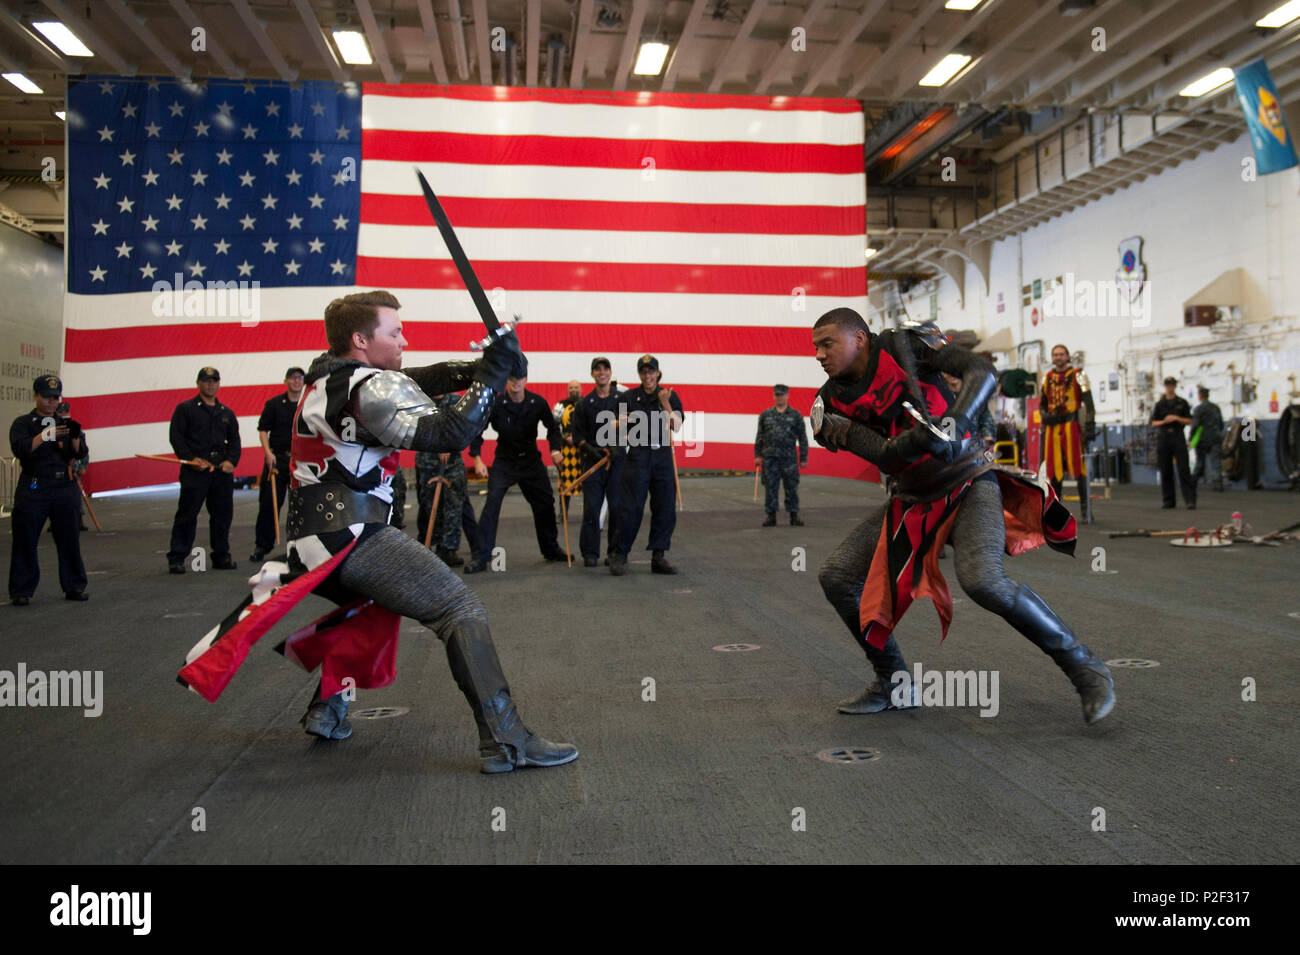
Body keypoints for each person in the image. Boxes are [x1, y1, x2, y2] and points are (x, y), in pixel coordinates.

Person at [177, 290, 576, 774]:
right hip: (351, 535)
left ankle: (328, 708)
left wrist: (479, 367)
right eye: (394, 332)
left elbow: (410, 380)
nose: (404, 339)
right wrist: (491, 375)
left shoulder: (329, 376)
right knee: (459, 608)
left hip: (313, 540)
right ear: (361, 340)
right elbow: (451, 434)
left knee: (369, 610)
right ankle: (507, 739)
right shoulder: (366, 390)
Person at [810, 308, 1113, 725]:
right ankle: (894, 684)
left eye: (827, 344)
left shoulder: (906, 346)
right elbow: (882, 454)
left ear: (859, 338)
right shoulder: (829, 405)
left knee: (983, 581)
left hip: (970, 482)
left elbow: (981, 371)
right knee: (837, 576)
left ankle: (1085, 667)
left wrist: (958, 419)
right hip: (914, 500)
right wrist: (921, 439)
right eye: (816, 348)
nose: (819, 355)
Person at [464, 368, 566, 573]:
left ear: (526, 379)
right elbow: (477, 431)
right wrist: (477, 459)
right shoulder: (496, 404)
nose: (516, 382)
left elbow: (553, 428)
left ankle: (551, 549)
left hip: (530, 462)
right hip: (505, 462)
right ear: (507, 379)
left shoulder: (537, 402)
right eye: (512, 377)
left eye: (520, 377)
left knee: (546, 503)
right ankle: (481, 556)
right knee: (492, 503)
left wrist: (555, 450)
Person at [8, 376, 89, 605]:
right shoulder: (24, 423)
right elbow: (21, 449)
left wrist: (72, 434)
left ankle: (74, 585)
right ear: (36, 396)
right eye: (46, 397)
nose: (51, 402)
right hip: (35, 484)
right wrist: (44, 436)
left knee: (69, 539)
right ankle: (21, 589)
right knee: (25, 538)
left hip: (63, 484)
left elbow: (80, 452)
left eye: (55, 398)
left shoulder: (66, 423)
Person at [608, 354, 683, 576]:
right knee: (631, 508)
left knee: (665, 508)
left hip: (662, 455)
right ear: (639, 374)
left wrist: (666, 404)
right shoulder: (629, 397)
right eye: (643, 371)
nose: (647, 375)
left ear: (658, 374)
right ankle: (620, 554)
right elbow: (609, 424)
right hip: (638, 454)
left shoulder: (669, 395)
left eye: (651, 371)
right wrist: (619, 422)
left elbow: (677, 426)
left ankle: (658, 556)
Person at [166, 367, 241, 573]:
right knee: (187, 514)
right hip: (195, 472)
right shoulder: (186, 409)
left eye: (214, 381)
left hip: (220, 473)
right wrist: (191, 459)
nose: (210, 385)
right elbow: (176, 437)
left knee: (222, 515)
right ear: (198, 383)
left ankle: (221, 556)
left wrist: (231, 461)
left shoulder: (226, 413)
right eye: (206, 381)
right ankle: (177, 557)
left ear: (219, 384)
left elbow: (235, 442)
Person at [570, 357, 625, 567]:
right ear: (592, 374)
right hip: (593, 462)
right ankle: (590, 552)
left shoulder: (622, 399)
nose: (602, 372)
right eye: (597, 369)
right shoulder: (584, 404)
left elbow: (632, 427)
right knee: (592, 507)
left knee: (617, 508)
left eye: (605, 369)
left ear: (610, 372)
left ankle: (615, 552)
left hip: (617, 461)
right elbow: (577, 436)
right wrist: (593, 452)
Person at [250, 367, 305, 561]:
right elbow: (263, 429)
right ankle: (262, 546)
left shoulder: (308, 404)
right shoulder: (274, 404)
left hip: (301, 462)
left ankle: (298, 548)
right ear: (286, 381)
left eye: (300, 378)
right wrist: (267, 453)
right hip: (277, 459)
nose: (297, 381)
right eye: (293, 378)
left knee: (300, 505)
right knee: (268, 504)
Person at [416, 392, 477, 566]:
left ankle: (448, 548)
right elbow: (415, 429)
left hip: (452, 463)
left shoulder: (456, 402)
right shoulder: (422, 402)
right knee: (428, 505)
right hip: (427, 461)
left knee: (454, 506)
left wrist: (450, 443)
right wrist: (437, 444)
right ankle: (429, 544)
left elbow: (466, 428)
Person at [1040, 344, 1096, 523]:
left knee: (1079, 468)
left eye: (1061, 354)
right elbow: (1042, 403)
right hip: (1052, 429)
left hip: (1072, 427)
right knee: (1055, 471)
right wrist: (1044, 416)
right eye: (1055, 355)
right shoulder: (1046, 378)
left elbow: (1089, 403)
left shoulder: (1079, 375)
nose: (1058, 357)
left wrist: (1089, 425)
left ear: (1068, 356)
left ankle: (1086, 512)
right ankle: (1056, 513)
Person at [754, 384, 809, 527]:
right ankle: (771, 516)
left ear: (787, 396)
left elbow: (802, 438)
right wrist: (757, 455)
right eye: (777, 395)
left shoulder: (795, 415)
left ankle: (794, 516)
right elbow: (760, 436)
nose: (780, 398)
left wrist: (803, 457)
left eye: (782, 395)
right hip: (770, 458)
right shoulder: (765, 415)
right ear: (774, 396)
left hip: (789, 458)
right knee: (770, 487)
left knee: (791, 487)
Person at [1150, 376, 1195, 509]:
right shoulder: (1159, 405)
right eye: (1167, 385)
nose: (1169, 388)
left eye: (1172, 385)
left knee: (1183, 469)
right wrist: (1165, 421)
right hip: (1164, 437)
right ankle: (1168, 500)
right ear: (1165, 387)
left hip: (1178, 436)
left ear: (1175, 387)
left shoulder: (1182, 403)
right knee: (1165, 470)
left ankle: (1189, 500)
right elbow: (1154, 422)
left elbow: (1189, 421)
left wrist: (1176, 418)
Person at [554, 379, 583, 511]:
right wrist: (566, 437)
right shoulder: (560, 406)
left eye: (576, 387)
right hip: (567, 449)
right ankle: (563, 511)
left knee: (588, 481)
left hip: (584, 448)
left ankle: (590, 513)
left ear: (581, 389)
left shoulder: (586, 404)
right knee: (565, 481)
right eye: (571, 388)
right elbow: (554, 426)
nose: (574, 390)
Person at [1191, 385, 1224, 492]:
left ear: (1200, 396)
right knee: (1216, 463)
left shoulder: (1198, 409)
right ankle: (1218, 485)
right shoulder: (1216, 408)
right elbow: (1221, 424)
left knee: (1200, 462)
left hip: (1202, 439)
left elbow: (1195, 425)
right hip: (1215, 438)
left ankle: (1193, 484)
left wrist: (1191, 439)